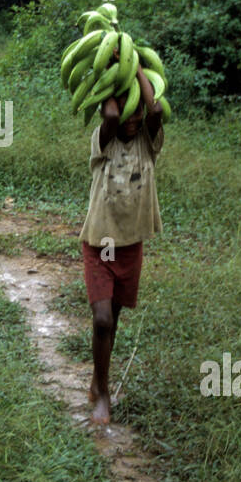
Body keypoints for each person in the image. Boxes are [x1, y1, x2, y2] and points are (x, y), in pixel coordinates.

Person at [79, 65, 164, 425]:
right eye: (127, 113)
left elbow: (157, 110)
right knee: (101, 320)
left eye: (137, 113)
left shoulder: (149, 142)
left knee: (112, 321)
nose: (132, 119)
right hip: (100, 243)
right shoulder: (104, 139)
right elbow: (112, 113)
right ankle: (103, 394)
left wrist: (138, 69)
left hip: (130, 246)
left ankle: (98, 381)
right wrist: (116, 68)